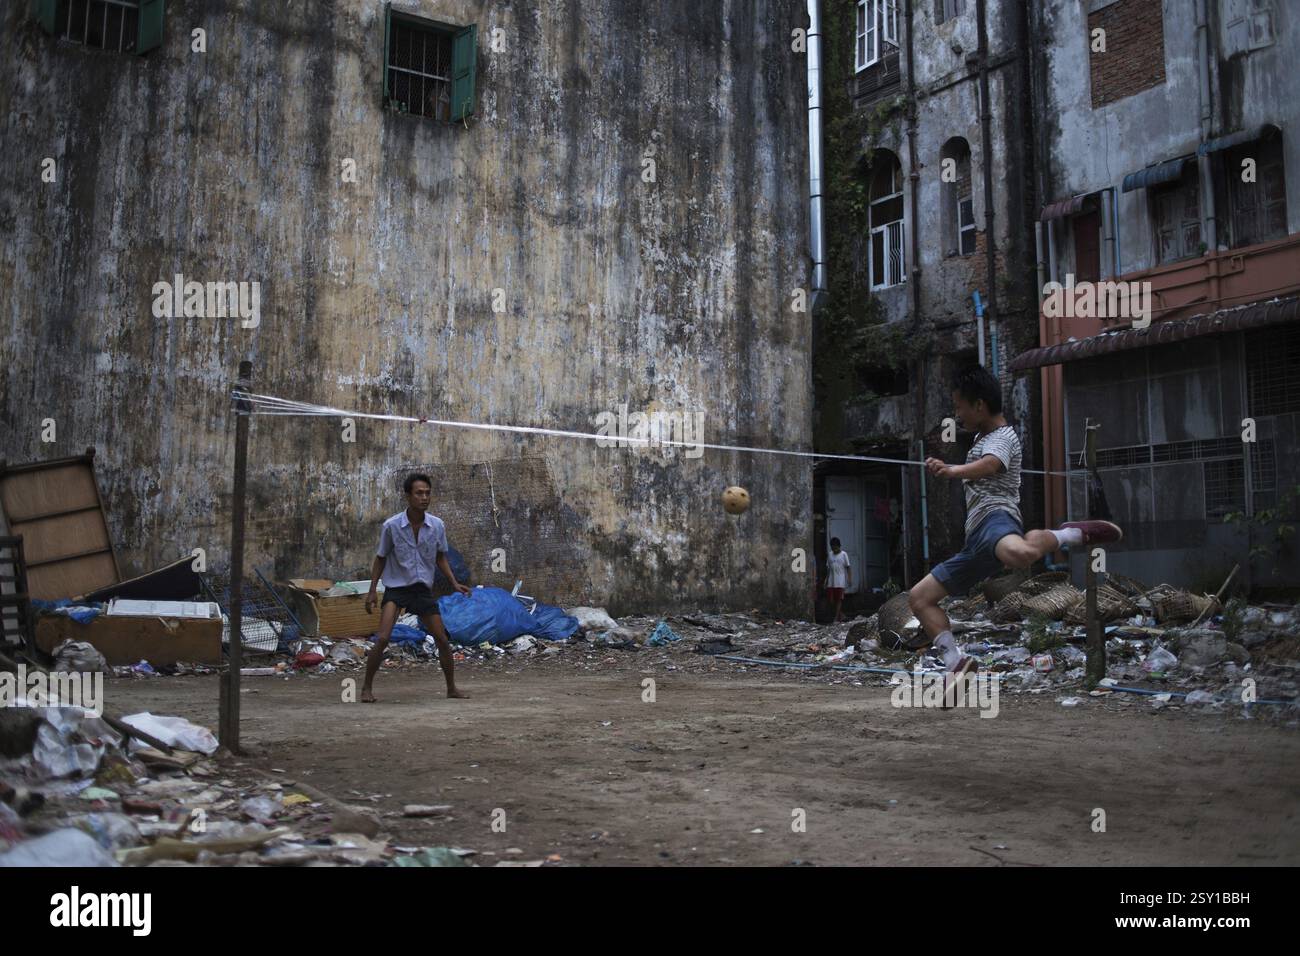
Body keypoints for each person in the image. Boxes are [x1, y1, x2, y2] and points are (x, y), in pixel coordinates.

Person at [910, 365, 1122, 677]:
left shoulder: (1003, 436)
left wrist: (951, 470)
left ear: (979, 405)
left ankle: (1070, 535)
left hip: (997, 518)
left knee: (1019, 554)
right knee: (920, 598)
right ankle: (957, 665)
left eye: (959, 406)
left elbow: (993, 465)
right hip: (975, 540)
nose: (957, 415)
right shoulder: (982, 438)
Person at [361, 473, 471, 703]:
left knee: (441, 639)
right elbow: (380, 558)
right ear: (408, 496)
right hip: (397, 589)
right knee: (382, 639)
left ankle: (451, 688)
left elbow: (441, 557)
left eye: (427, 493)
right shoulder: (391, 526)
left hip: (422, 590)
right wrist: (372, 590)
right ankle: (366, 688)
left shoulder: (437, 525)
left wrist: (453, 582)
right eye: (419, 493)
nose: (424, 497)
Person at [825, 537, 852, 623]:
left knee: (839, 600)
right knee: (831, 601)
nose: (834, 549)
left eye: (835, 547)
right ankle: (841, 615)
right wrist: (826, 580)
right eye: (833, 547)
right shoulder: (830, 555)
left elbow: (848, 568)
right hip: (831, 581)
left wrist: (849, 578)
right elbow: (828, 569)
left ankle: (836, 618)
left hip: (840, 581)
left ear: (839, 546)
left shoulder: (844, 554)